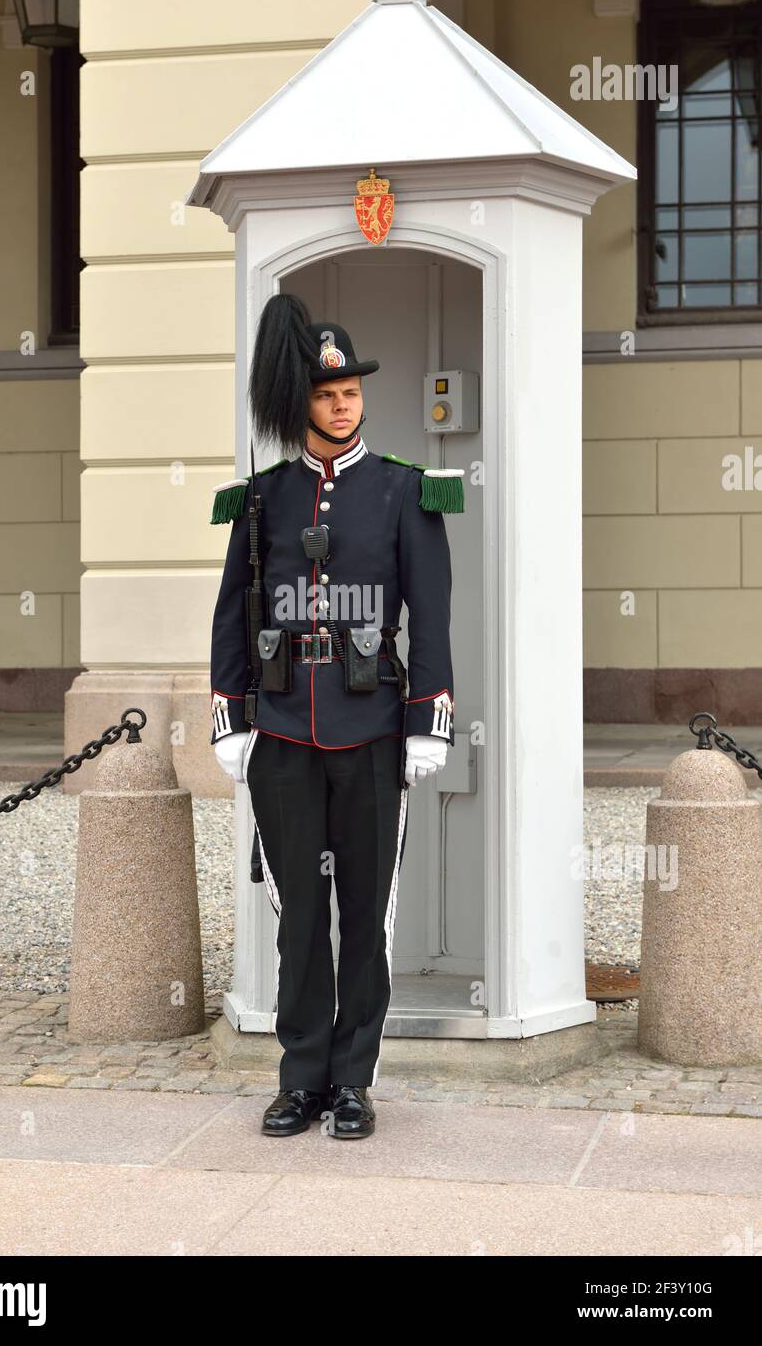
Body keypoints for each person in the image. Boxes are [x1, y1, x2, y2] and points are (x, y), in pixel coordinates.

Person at [208, 292, 463, 1138]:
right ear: (301, 403)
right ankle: (301, 1076)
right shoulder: (262, 498)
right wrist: (231, 714)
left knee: (366, 912)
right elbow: (232, 613)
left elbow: (429, 614)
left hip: (370, 726)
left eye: (350, 391)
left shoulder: (403, 492)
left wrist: (429, 720)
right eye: (325, 394)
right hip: (281, 726)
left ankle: (354, 1080)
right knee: (296, 920)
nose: (341, 403)